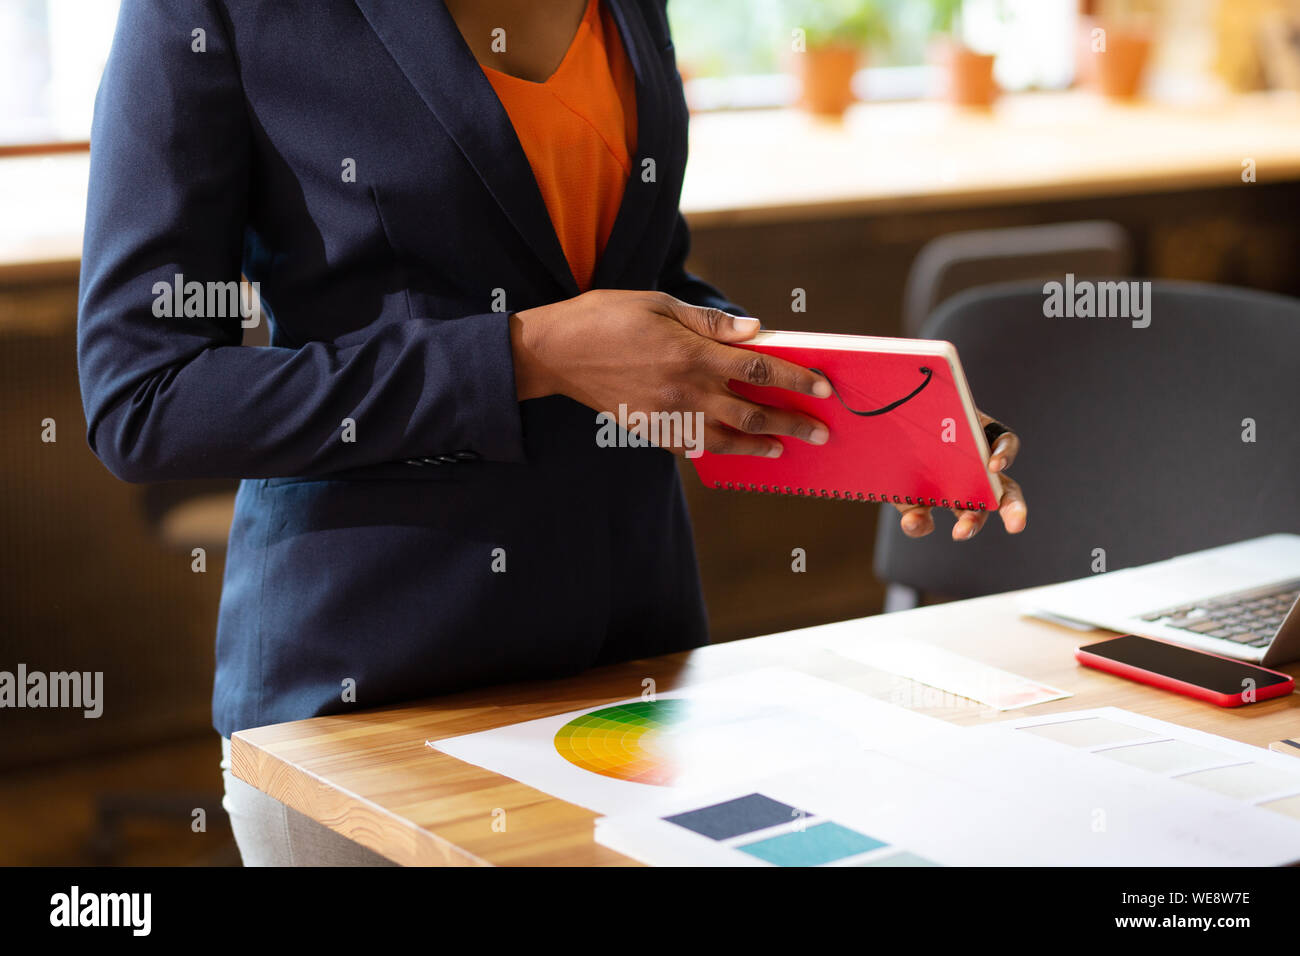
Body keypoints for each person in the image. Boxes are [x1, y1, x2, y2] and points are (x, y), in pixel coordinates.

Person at [77, 0, 1026, 865]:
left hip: (635, 669)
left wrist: (879, 412)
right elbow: (145, 398)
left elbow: (647, 285)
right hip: (374, 691)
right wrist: (526, 354)